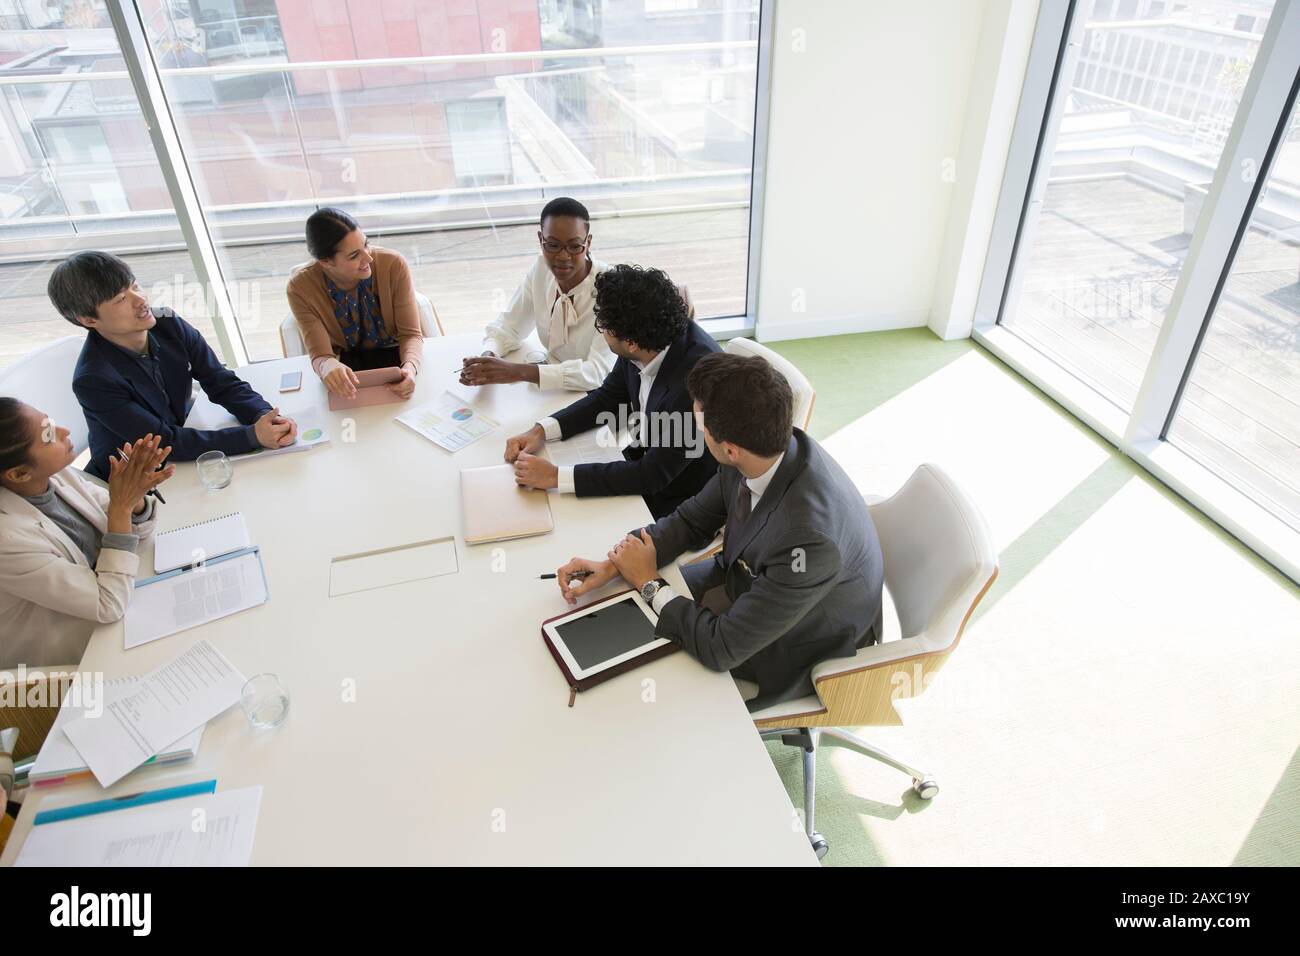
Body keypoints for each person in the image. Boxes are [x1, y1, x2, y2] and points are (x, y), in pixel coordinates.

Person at [554, 352, 885, 713]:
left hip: (800, 640)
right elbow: (692, 520)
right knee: (620, 620)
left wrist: (649, 582)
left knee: (643, 682)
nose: (698, 433)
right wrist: (615, 565)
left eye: (701, 428)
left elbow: (721, 648)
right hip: (747, 579)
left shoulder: (810, 540)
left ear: (729, 448)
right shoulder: (761, 447)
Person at [49, 251, 297, 481]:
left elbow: (219, 380)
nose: (140, 300)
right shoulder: (93, 379)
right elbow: (164, 441)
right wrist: (252, 436)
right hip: (139, 477)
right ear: (90, 319)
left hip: (184, 449)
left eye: (135, 286)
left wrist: (263, 416)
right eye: (121, 299)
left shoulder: (167, 323)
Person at [504, 264, 720, 519]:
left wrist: (554, 476)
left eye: (602, 326)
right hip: (641, 459)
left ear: (630, 342)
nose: (601, 329)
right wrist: (541, 430)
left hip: (682, 498)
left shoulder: (697, 385)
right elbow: (607, 398)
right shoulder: (646, 337)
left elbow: (651, 477)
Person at [0, 397, 173, 669]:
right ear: (20, 473)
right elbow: (107, 605)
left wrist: (134, 496)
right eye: (48, 437)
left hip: (121, 606)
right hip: (74, 657)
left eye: (52, 424)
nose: (64, 432)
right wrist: (121, 508)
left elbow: (132, 530)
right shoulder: (7, 539)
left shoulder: (57, 476)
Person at [459, 197, 615, 391]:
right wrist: (488, 357)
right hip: (553, 389)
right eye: (552, 245)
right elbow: (509, 327)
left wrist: (519, 372)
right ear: (541, 240)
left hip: (598, 396)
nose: (563, 256)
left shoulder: (611, 287)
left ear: (588, 242)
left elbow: (598, 373)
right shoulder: (541, 269)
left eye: (574, 246)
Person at [286, 207, 422, 400]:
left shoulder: (393, 264)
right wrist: (327, 366)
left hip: (398, 356)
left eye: (366, 244)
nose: (368, 257)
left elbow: (410, 334)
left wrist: (411, 367)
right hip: (347, 369)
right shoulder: (300, 288)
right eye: (354, 255)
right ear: (326, 262)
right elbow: (321, 356)